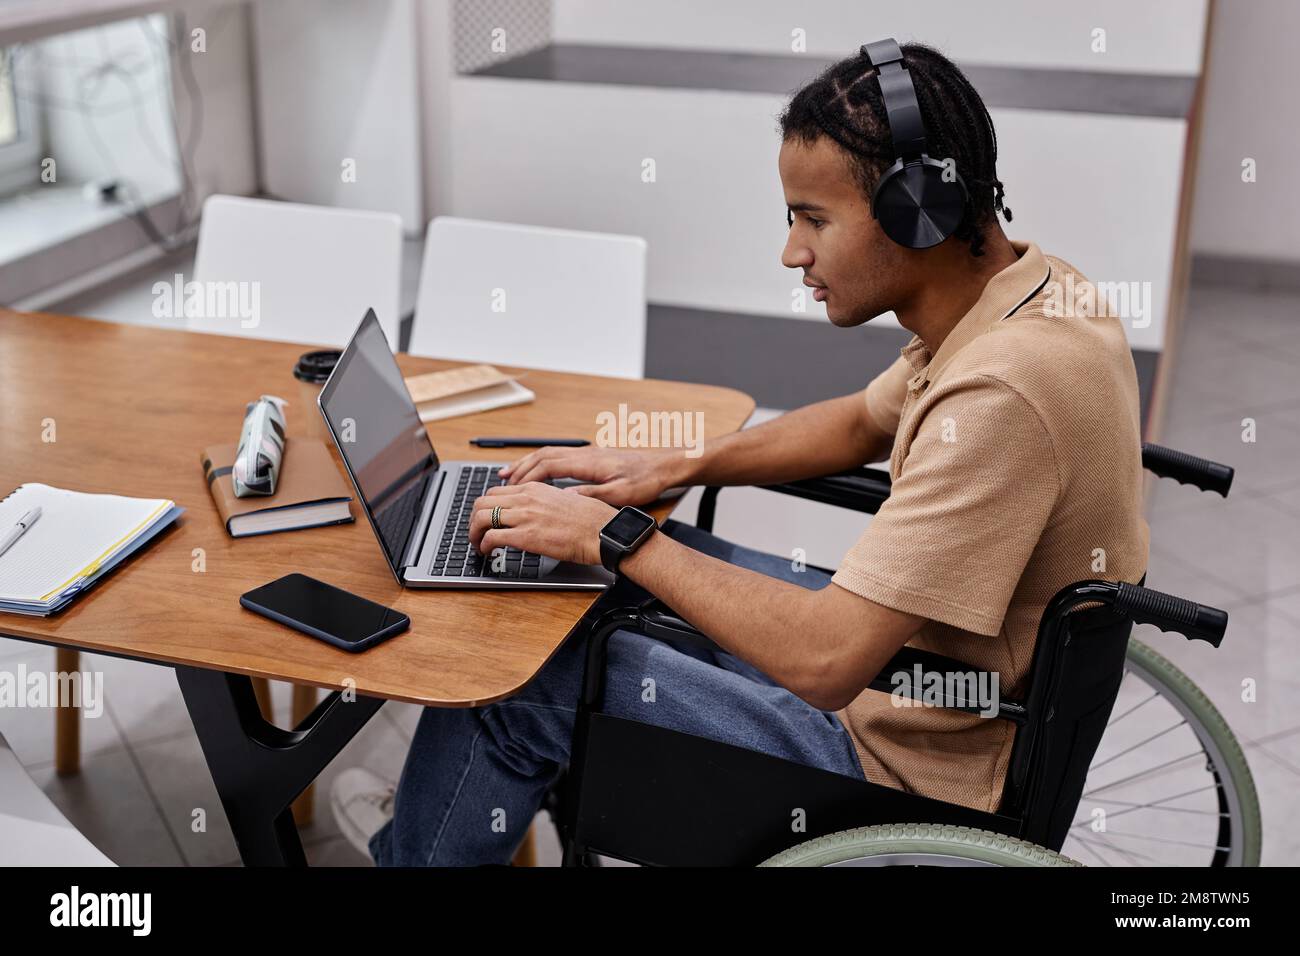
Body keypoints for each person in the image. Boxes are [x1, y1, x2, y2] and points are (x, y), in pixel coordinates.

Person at [332, 41, 1149, 866]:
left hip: (899, 761)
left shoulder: (1000, 394)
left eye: (814, 218)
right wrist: (672, 467)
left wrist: (609, 534)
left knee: (522, 669)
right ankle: (456, 813)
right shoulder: (1033, 296)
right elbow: (861, 422)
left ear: (918, 214)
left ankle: (416, 844)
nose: (793, 253)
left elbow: (826, 662)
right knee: (594, 578)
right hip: (934, 686)